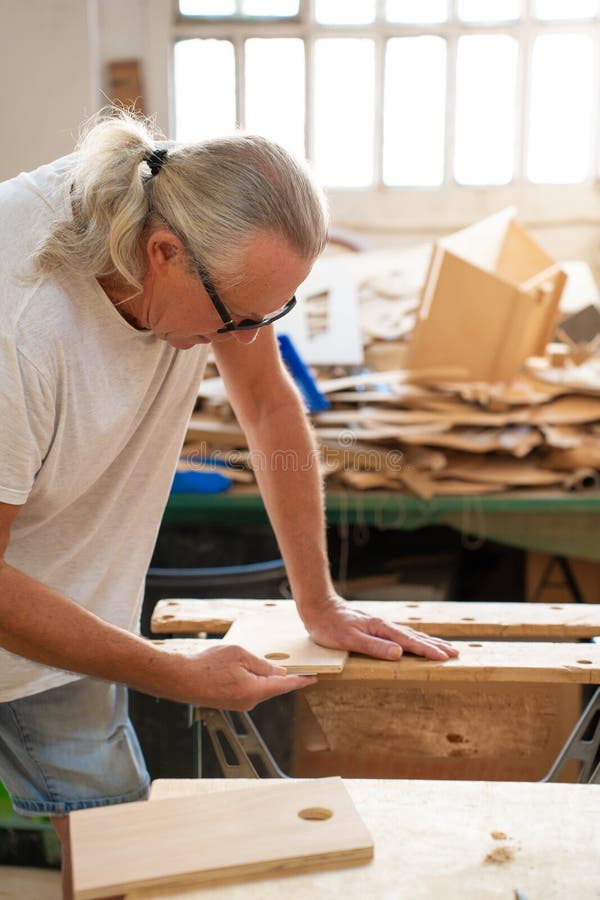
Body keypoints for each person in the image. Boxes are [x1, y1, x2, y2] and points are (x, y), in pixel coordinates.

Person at [0, 110, 457, 894]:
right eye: (238, 317)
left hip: (53, 581)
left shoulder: (182, 217)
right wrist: (173, 672)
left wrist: (319, 601)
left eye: (267, 314)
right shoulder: (22, 325)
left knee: (113, 842)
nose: (246, 337)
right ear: (163, 254)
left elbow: (271, 408)